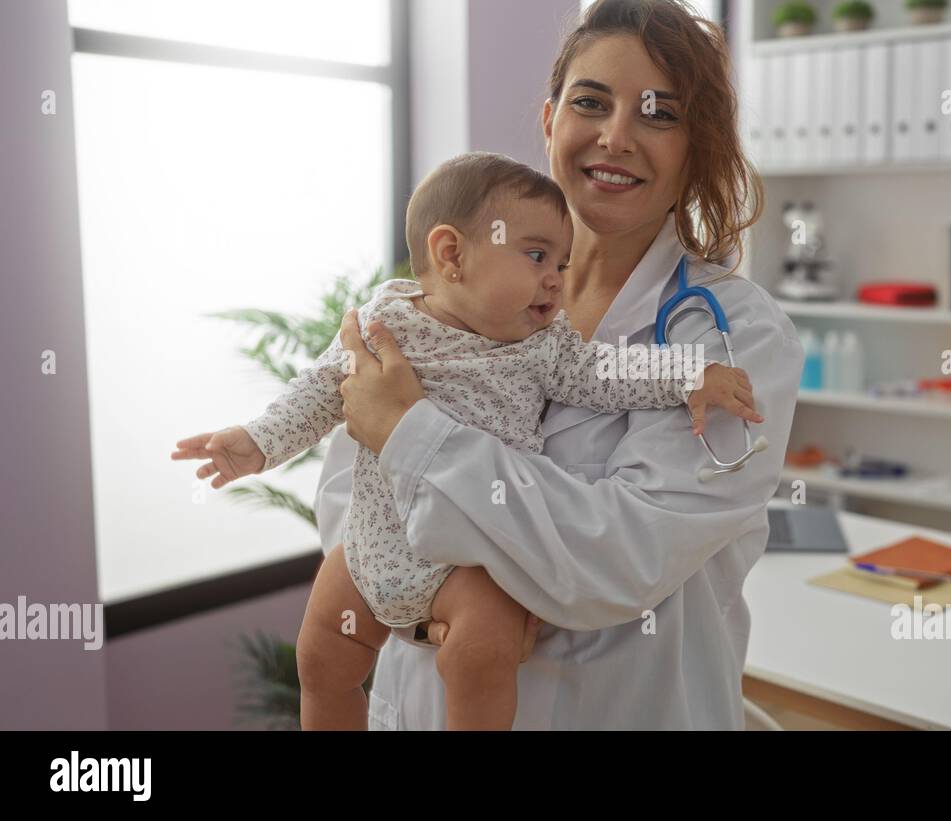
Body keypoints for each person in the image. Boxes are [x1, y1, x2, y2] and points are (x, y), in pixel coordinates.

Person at [320, 0, 804, 729]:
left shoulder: (732, 339)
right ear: (550, 121)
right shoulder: (441, 295)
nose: (616, 137)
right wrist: (430, 612)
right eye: (591, 103)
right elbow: (347, 497)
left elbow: (615, 557)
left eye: (658, 114)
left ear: (694, 146)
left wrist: (411, 431)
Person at [173, 151, 758, 730]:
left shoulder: (544, 345)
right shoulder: (385, 322)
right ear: (451, 254)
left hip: (471, 561)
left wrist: (690, 373)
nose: (554, 279)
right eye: (537, 256)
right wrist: (257, 442)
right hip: (372, 547)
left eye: (562, 263)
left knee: (482, 656)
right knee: (322, 658)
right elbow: (324, 390)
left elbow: (610, 373)